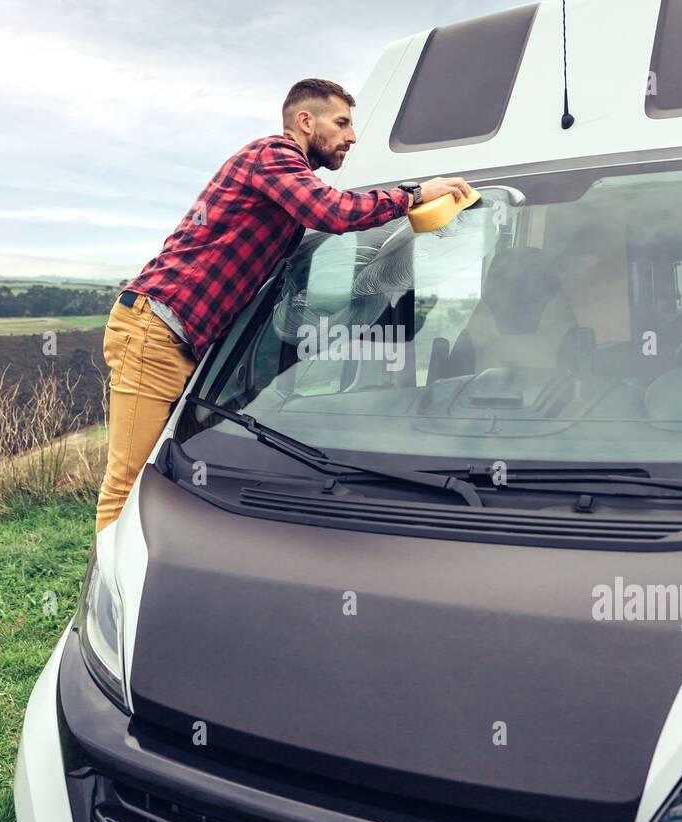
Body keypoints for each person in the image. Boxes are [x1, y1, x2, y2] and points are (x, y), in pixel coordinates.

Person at [95, 77, 471, 531]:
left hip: (180, 336)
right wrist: (414, 195)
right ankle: (109, 586)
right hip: (156, 328)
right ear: (305, 121)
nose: (352, 136)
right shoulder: (272, 154)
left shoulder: (286, 180)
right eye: (343, 123)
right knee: (129, 480)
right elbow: (331, 213)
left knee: (168, 471)